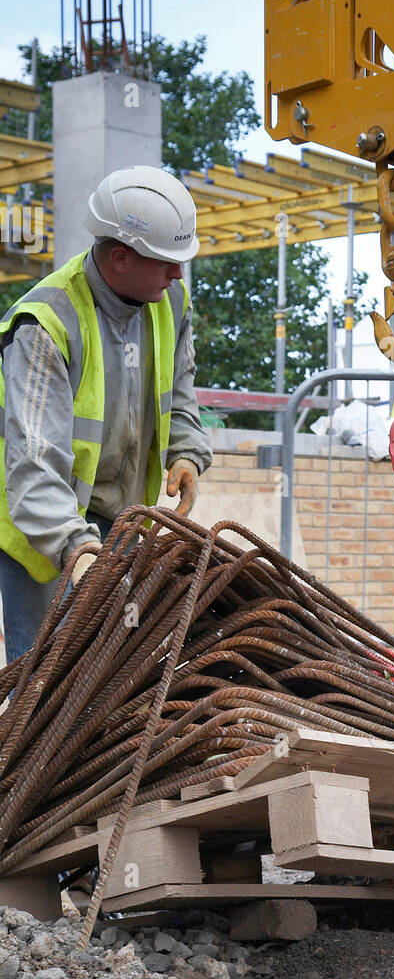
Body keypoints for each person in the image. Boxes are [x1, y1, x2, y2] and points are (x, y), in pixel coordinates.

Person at [0, 165, 213, 664]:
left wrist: (186, 449)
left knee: (114, 681)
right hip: (44, 535)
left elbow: (180, 386)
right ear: (120, 257)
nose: (178, 273)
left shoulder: (167, 297)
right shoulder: (46, 325)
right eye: (166, 263)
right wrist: (76, 550)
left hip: (120, 527)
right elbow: (33, 471)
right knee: (47, 691)